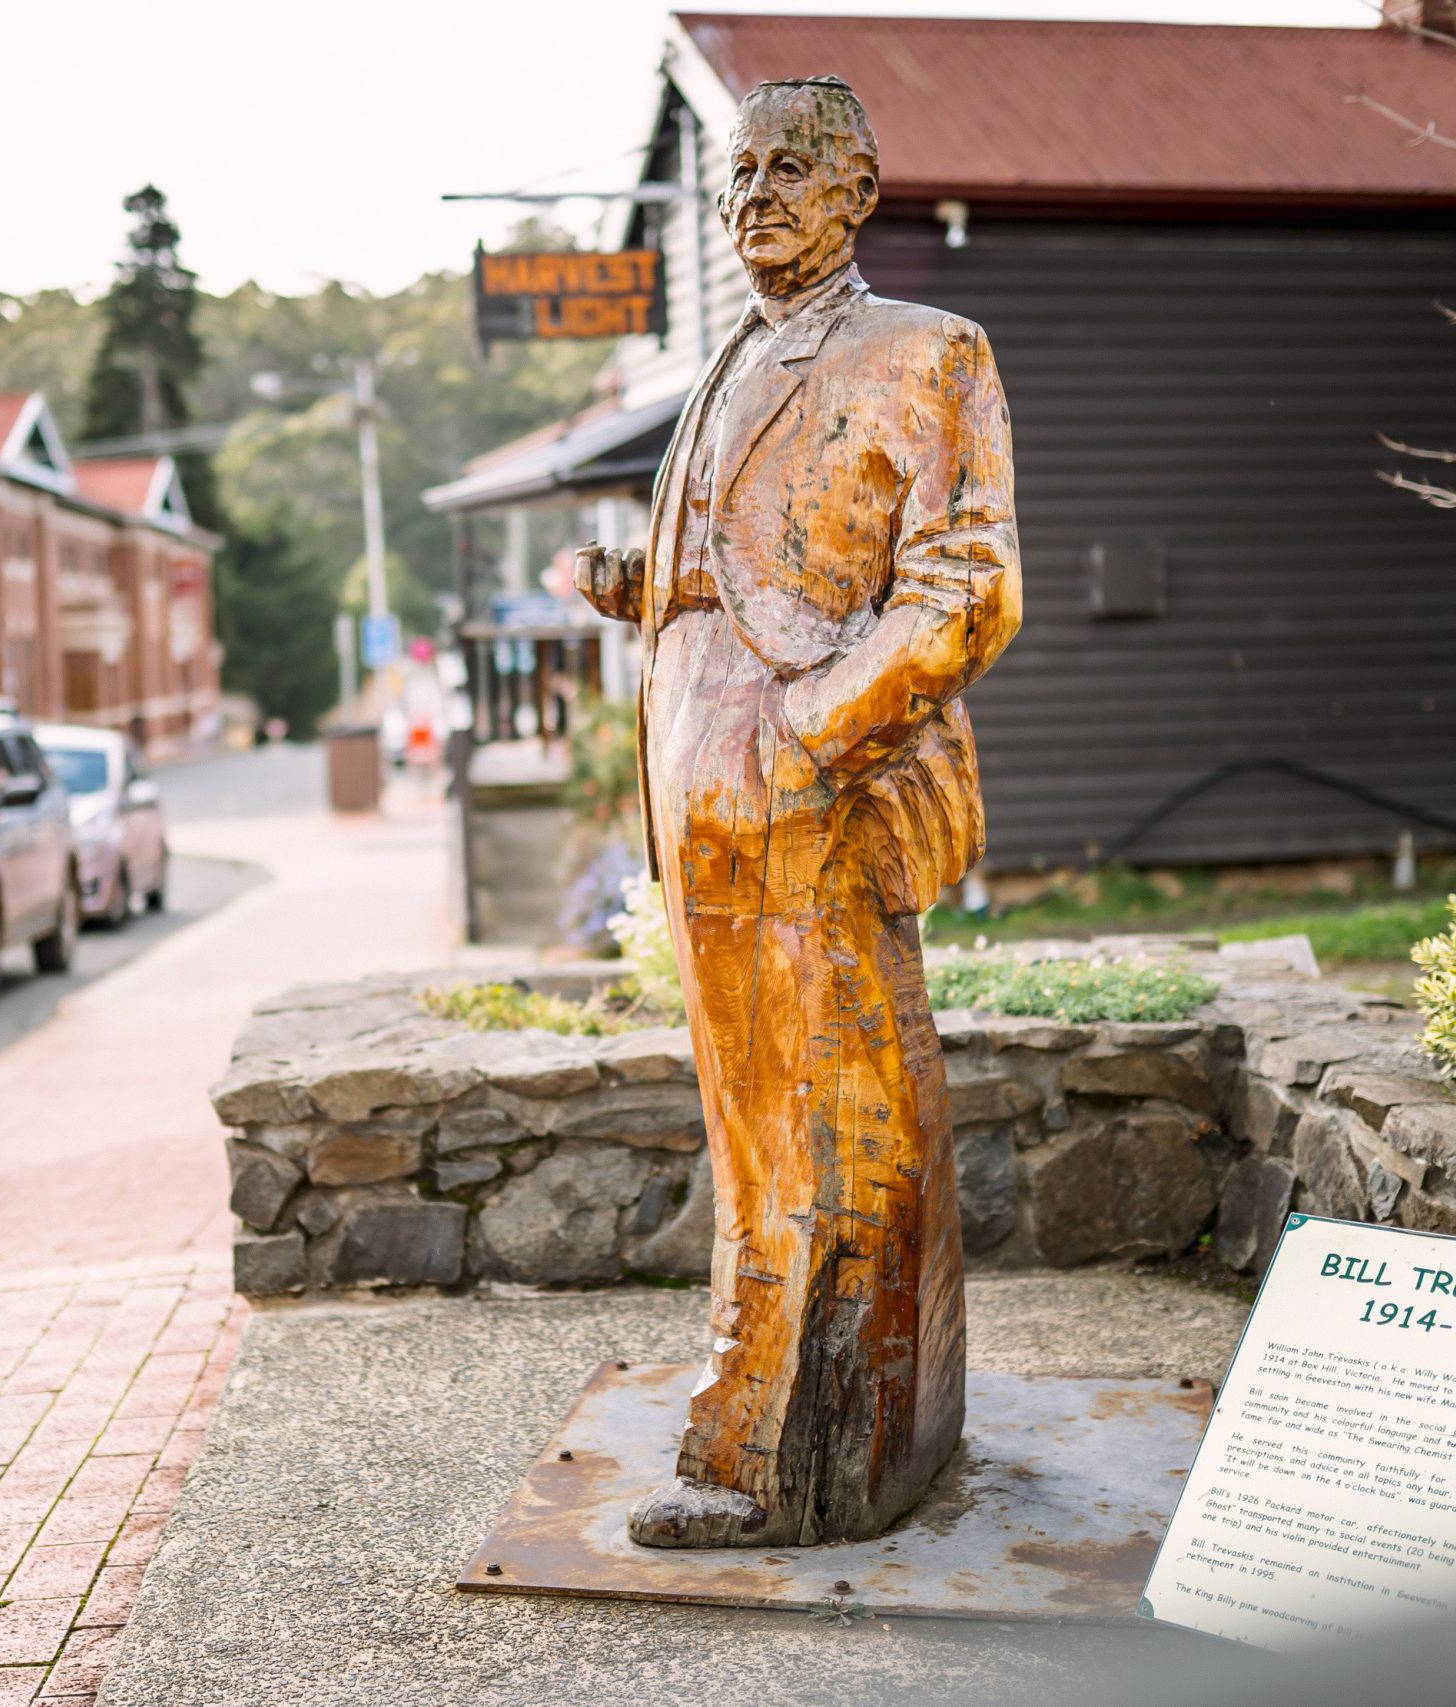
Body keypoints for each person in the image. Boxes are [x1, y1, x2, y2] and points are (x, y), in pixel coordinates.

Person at [575, 75, 1021, 1549]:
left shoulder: (926, 351)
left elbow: (966, 587)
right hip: (699, 804)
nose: (754, 192)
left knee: (832, 1126)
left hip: (810, 796)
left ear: (859, 190)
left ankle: (809, 1452)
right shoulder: (722, 366)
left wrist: (809, 736)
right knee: (751, 1138)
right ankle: (756, 1414)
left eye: (790, 166)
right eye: (738, 172)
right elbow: (754, 568)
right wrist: (637, 584)